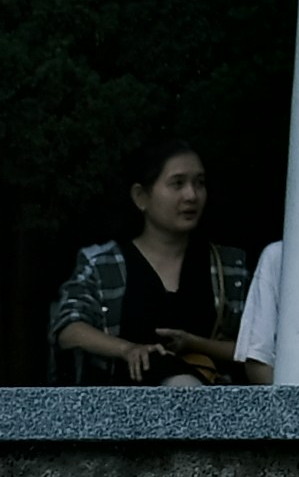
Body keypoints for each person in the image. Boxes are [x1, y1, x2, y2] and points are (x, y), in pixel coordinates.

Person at [47, 141, 254, 385]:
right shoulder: (103, 264)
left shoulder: (229, 266)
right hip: (120, 407)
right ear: (141, 196)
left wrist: (195, 343)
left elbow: (257, 350)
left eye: (199, 183)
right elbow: (68, 328)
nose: (191, 195)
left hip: (210, 404)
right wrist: (128, 350)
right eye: (177, 184)